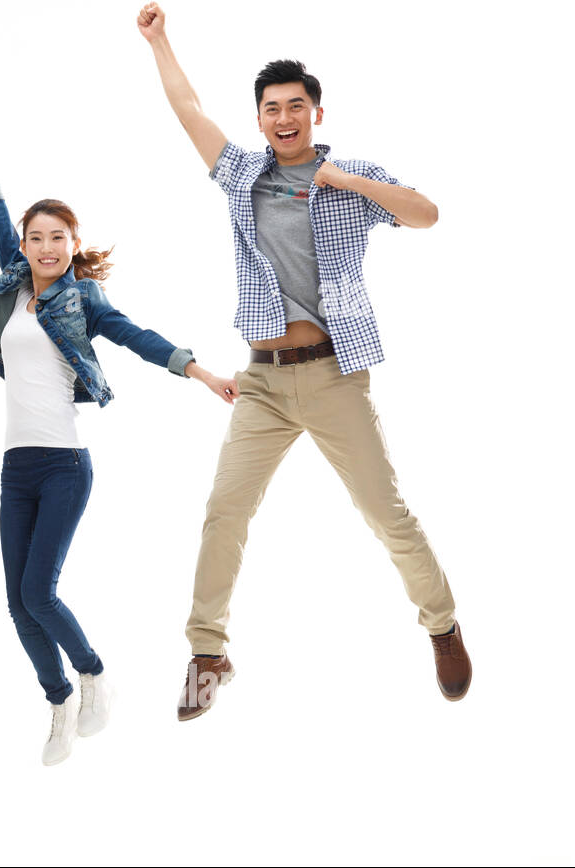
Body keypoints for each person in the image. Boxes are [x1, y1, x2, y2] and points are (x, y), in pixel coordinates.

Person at [135, 3, 470, 720]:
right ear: (259, 120)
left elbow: (425, 214)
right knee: (224, 510)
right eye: (270, 109)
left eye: (295, 106)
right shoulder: (241, 176)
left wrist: (350, 183)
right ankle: (207, 652)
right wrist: (161, 40)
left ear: (317, 112)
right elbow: (186, 106)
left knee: (387, 513)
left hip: (333, 374)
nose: (283, 118)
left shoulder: (352, 177)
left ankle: (441, 623)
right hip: (260, 380)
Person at [0, 121, 238, 765]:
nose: (45, 247)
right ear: (24, 245)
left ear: (73, 245)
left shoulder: (85, 302)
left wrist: (202, 371)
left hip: (63, 468)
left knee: (39, 593)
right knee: (17, 605)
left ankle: (94, 674)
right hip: (14, 468)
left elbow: (140, 336)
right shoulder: (14, 285)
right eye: (35, 237)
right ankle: (58, 702)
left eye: (57, 238)